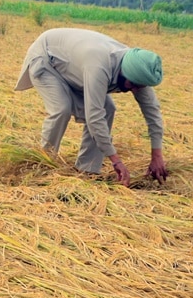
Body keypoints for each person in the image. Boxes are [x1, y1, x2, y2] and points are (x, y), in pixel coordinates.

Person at [14, 27, 168, 186]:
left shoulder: (140, 70)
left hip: (75, 66)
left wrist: (157, 155)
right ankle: (42, 163)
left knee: (108, 109)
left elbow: (152, 112)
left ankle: (87, 170)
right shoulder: (99, 66)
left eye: (140, 87)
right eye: (133, 85)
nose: (135, 90)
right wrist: (116, 161)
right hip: (48, 59)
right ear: (124, 72)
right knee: (61, 109)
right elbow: (94, 117)